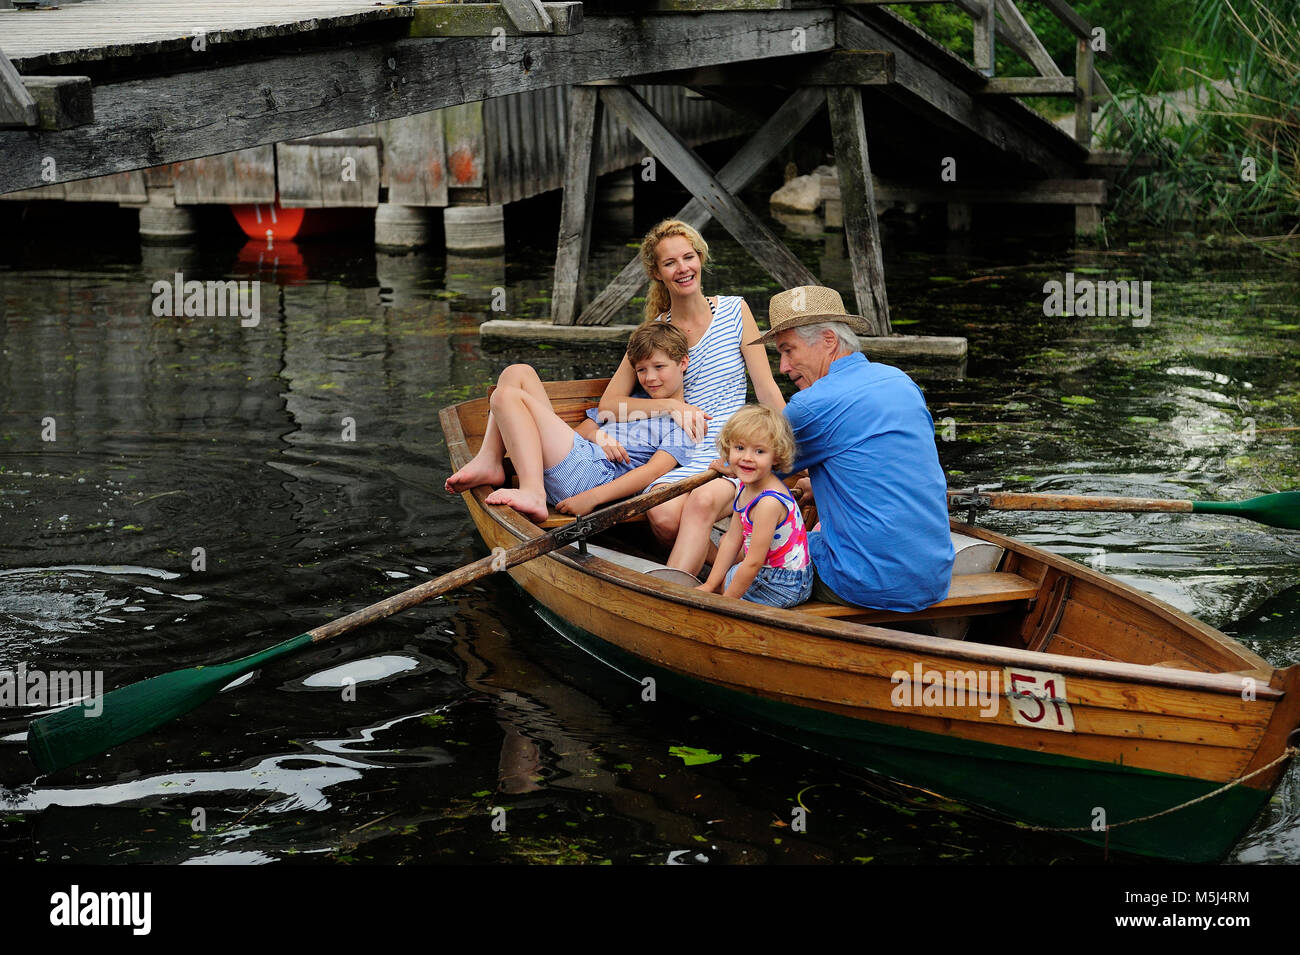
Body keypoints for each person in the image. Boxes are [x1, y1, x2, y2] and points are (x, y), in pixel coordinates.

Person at [755, 285, 954, 612]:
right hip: (934, 578)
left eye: (788, 350)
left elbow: (752, 470)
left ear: (829, 340)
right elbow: (870, 461)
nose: (784, 367)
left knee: (745, 566)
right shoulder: (900, 381)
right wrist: (814, 484)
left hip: (868, 584)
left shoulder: (810, 406)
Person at [595, 219, 785, 553]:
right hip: (678, 449)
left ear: (700, 258)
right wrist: (672, 406)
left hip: (733, 445)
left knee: (689, 507)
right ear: (657, 272)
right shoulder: (654, 333)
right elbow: (609, 406)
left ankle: (734, 569)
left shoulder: (736, 310)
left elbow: (766, 389)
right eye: (670, 262)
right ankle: (729, 567)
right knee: (664, 516)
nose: (682, 269)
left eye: (688, 257)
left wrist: (791, 448)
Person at [444, 322, 696, 522]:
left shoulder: (684, 423)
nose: (650, 377)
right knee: (517, 372)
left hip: (593, 478)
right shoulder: (635, 402)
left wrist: (593, 498)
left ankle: (533, 492)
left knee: (505, 396)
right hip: (579, 457)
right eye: (641, 370)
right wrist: (600, 436)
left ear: (682, 362)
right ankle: (491, 460)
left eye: (659, 367)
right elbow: (584, 429)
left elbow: (652, 472)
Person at [696, 406, 813, 608]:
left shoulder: (768, 503)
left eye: (759, 451)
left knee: (731, 582)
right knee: (726, 576)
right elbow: (733, 539)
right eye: (740, 448)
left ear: (775, 457)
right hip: (767, 571)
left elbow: (753, 562)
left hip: (784, 584)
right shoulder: (743, 485)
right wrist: (709, 584)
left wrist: (724, 604)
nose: (747, 457)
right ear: (728, 448)